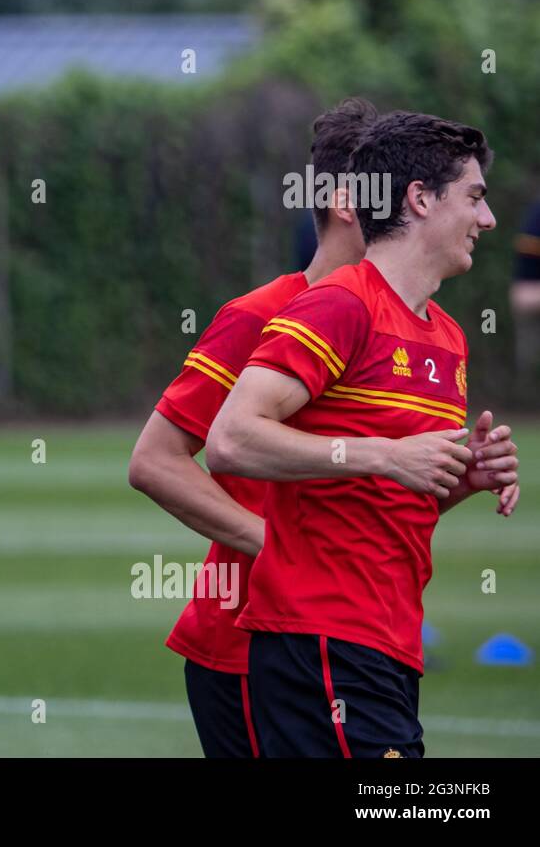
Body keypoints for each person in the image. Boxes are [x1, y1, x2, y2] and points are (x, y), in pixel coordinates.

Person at [207, 110, 520, 757]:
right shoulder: (341, 304)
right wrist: (387, 453)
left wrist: (460, 479)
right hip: (321, 640)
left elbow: (387, 492)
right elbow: (231, 439)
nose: (487, 220)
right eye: (476, 197)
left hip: (387, 641)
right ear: (420, 199)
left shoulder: (449, 337)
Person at [128, 98, 375, 757]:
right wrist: (277, 548)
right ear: (351, 202)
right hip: (245, 654)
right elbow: (155, 460)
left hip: (347, 645)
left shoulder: (388, 328)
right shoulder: (259, 315)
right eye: (408, 190)